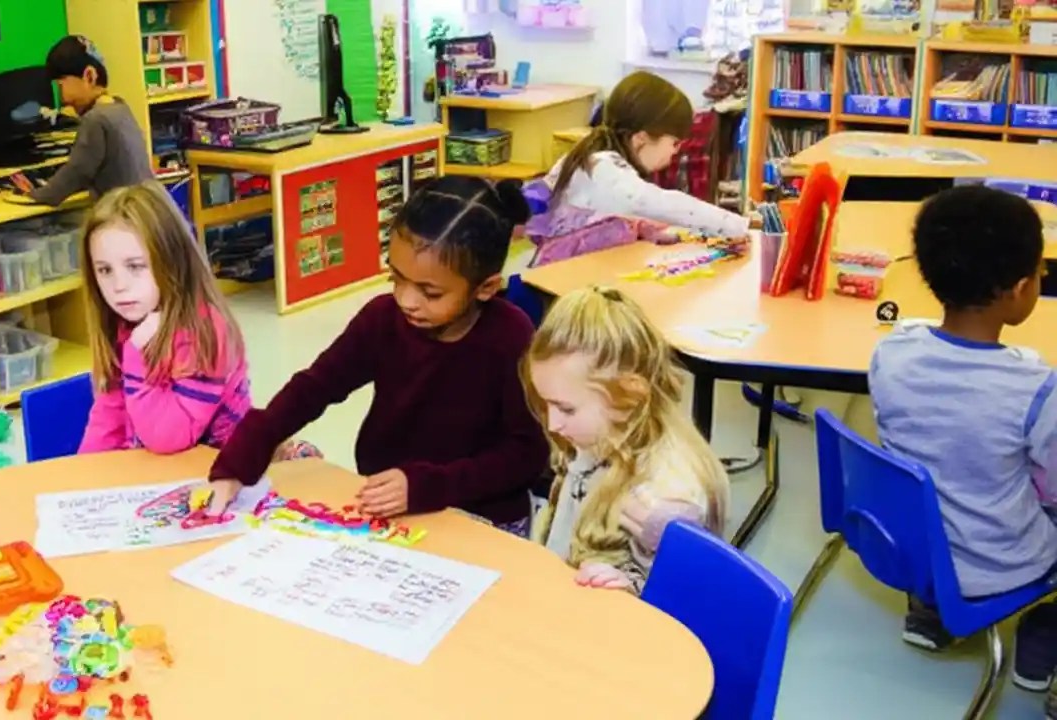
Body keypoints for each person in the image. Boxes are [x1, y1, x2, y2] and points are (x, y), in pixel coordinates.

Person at [207, 176, 549, 536]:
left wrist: (426, 486)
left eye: (429, 293)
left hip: (483, 518)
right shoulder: (382, 319)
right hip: (391, 507)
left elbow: (526, 455)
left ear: (486, 288)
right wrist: (241, 459)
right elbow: (313, 388)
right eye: (395, 278)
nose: (406, 300)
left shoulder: (511, 337)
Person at [868, 184, 1057, 699]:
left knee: (946, 469)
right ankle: (1046, 630)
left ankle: (931, 615)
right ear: (1019, 289)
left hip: (908, 547)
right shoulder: (1036, 388)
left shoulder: (892, 352)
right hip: (995, 561)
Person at [525, 286, 728, 594]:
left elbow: (689, 596)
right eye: (546, 404)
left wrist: (633, 588)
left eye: (566, 408)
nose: (553, 423)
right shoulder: (601, 431)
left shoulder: (666, 497)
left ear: (631, 394)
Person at [77, 181, 250, 455]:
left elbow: (169, 439)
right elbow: (108, 418)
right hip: (155, 475)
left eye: (135, 266)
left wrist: (136, 357)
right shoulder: (126, 321)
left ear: (172, 261)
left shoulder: (205, 330)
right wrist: (83, 483)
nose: (119, 285)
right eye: (105, 270)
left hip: (217, 475)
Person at [525, 71, 750, 266]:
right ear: (642, 138)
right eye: (674, 142)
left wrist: (641, 228)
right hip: (562, 284)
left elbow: (599, 216)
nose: (676, 151)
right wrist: (738, 226)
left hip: (571, 271)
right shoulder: (603, 169)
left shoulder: (590, 155)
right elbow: (665, 203)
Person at [29, 35, 154, 206]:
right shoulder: (120, 108)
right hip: (146, 211)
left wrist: (36, 194)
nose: (63, 99)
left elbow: (78, 172)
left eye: (61, 85)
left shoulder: (95, 119)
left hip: (123, 217)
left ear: (89, 76)